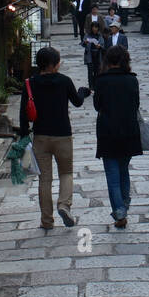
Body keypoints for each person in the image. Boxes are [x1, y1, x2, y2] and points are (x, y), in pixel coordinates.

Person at [19, 46, 91, 228]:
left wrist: (24, 135)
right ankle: (64, 205)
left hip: (41, 136)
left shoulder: (30, 83)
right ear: (55, 64)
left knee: (44, 179)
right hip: (63, 135)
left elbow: (23, 114)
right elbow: (77, 101)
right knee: (66, 173)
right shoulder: (64, 81)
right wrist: (83, 91)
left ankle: (46, 220)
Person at [93, 45, 142, 228]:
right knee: (123, 170)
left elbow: (97, 106)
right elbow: (136, 104)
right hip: (128, 130)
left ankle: (120, 211)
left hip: (107, 132)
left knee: (112, 174)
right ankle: (124, 205)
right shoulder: (131, 80)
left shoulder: (101, 81)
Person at [82, 20, 104, 89]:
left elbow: (103, 45)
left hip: (97, 55)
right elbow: (83, 44)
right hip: (90, 55)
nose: (95, 29)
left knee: (97, 71)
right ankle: (91, 86)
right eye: (94, 27)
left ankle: (96, 85)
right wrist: (85, 42)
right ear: (91, 28)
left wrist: (100, 46)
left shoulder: (100, 35)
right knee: (90, 72)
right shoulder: (87, 35)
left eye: (96, 27)